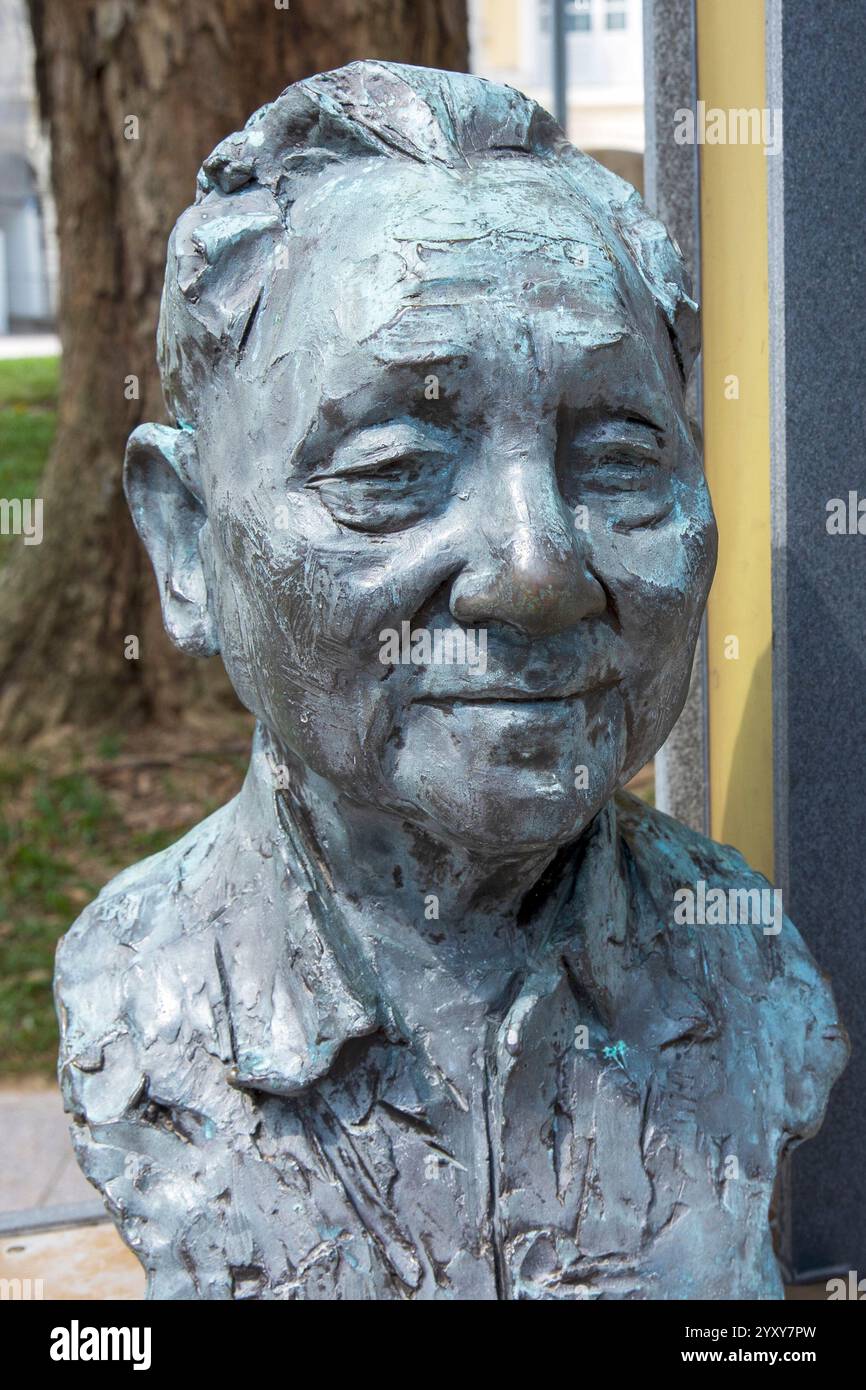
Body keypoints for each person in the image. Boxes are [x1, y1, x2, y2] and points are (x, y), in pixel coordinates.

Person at [55, 61, 847, 1301]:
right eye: (388, 469)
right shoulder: (140, 990)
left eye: (618, 458)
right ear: (185, 544)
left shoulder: (751, 972)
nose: (534, 571)